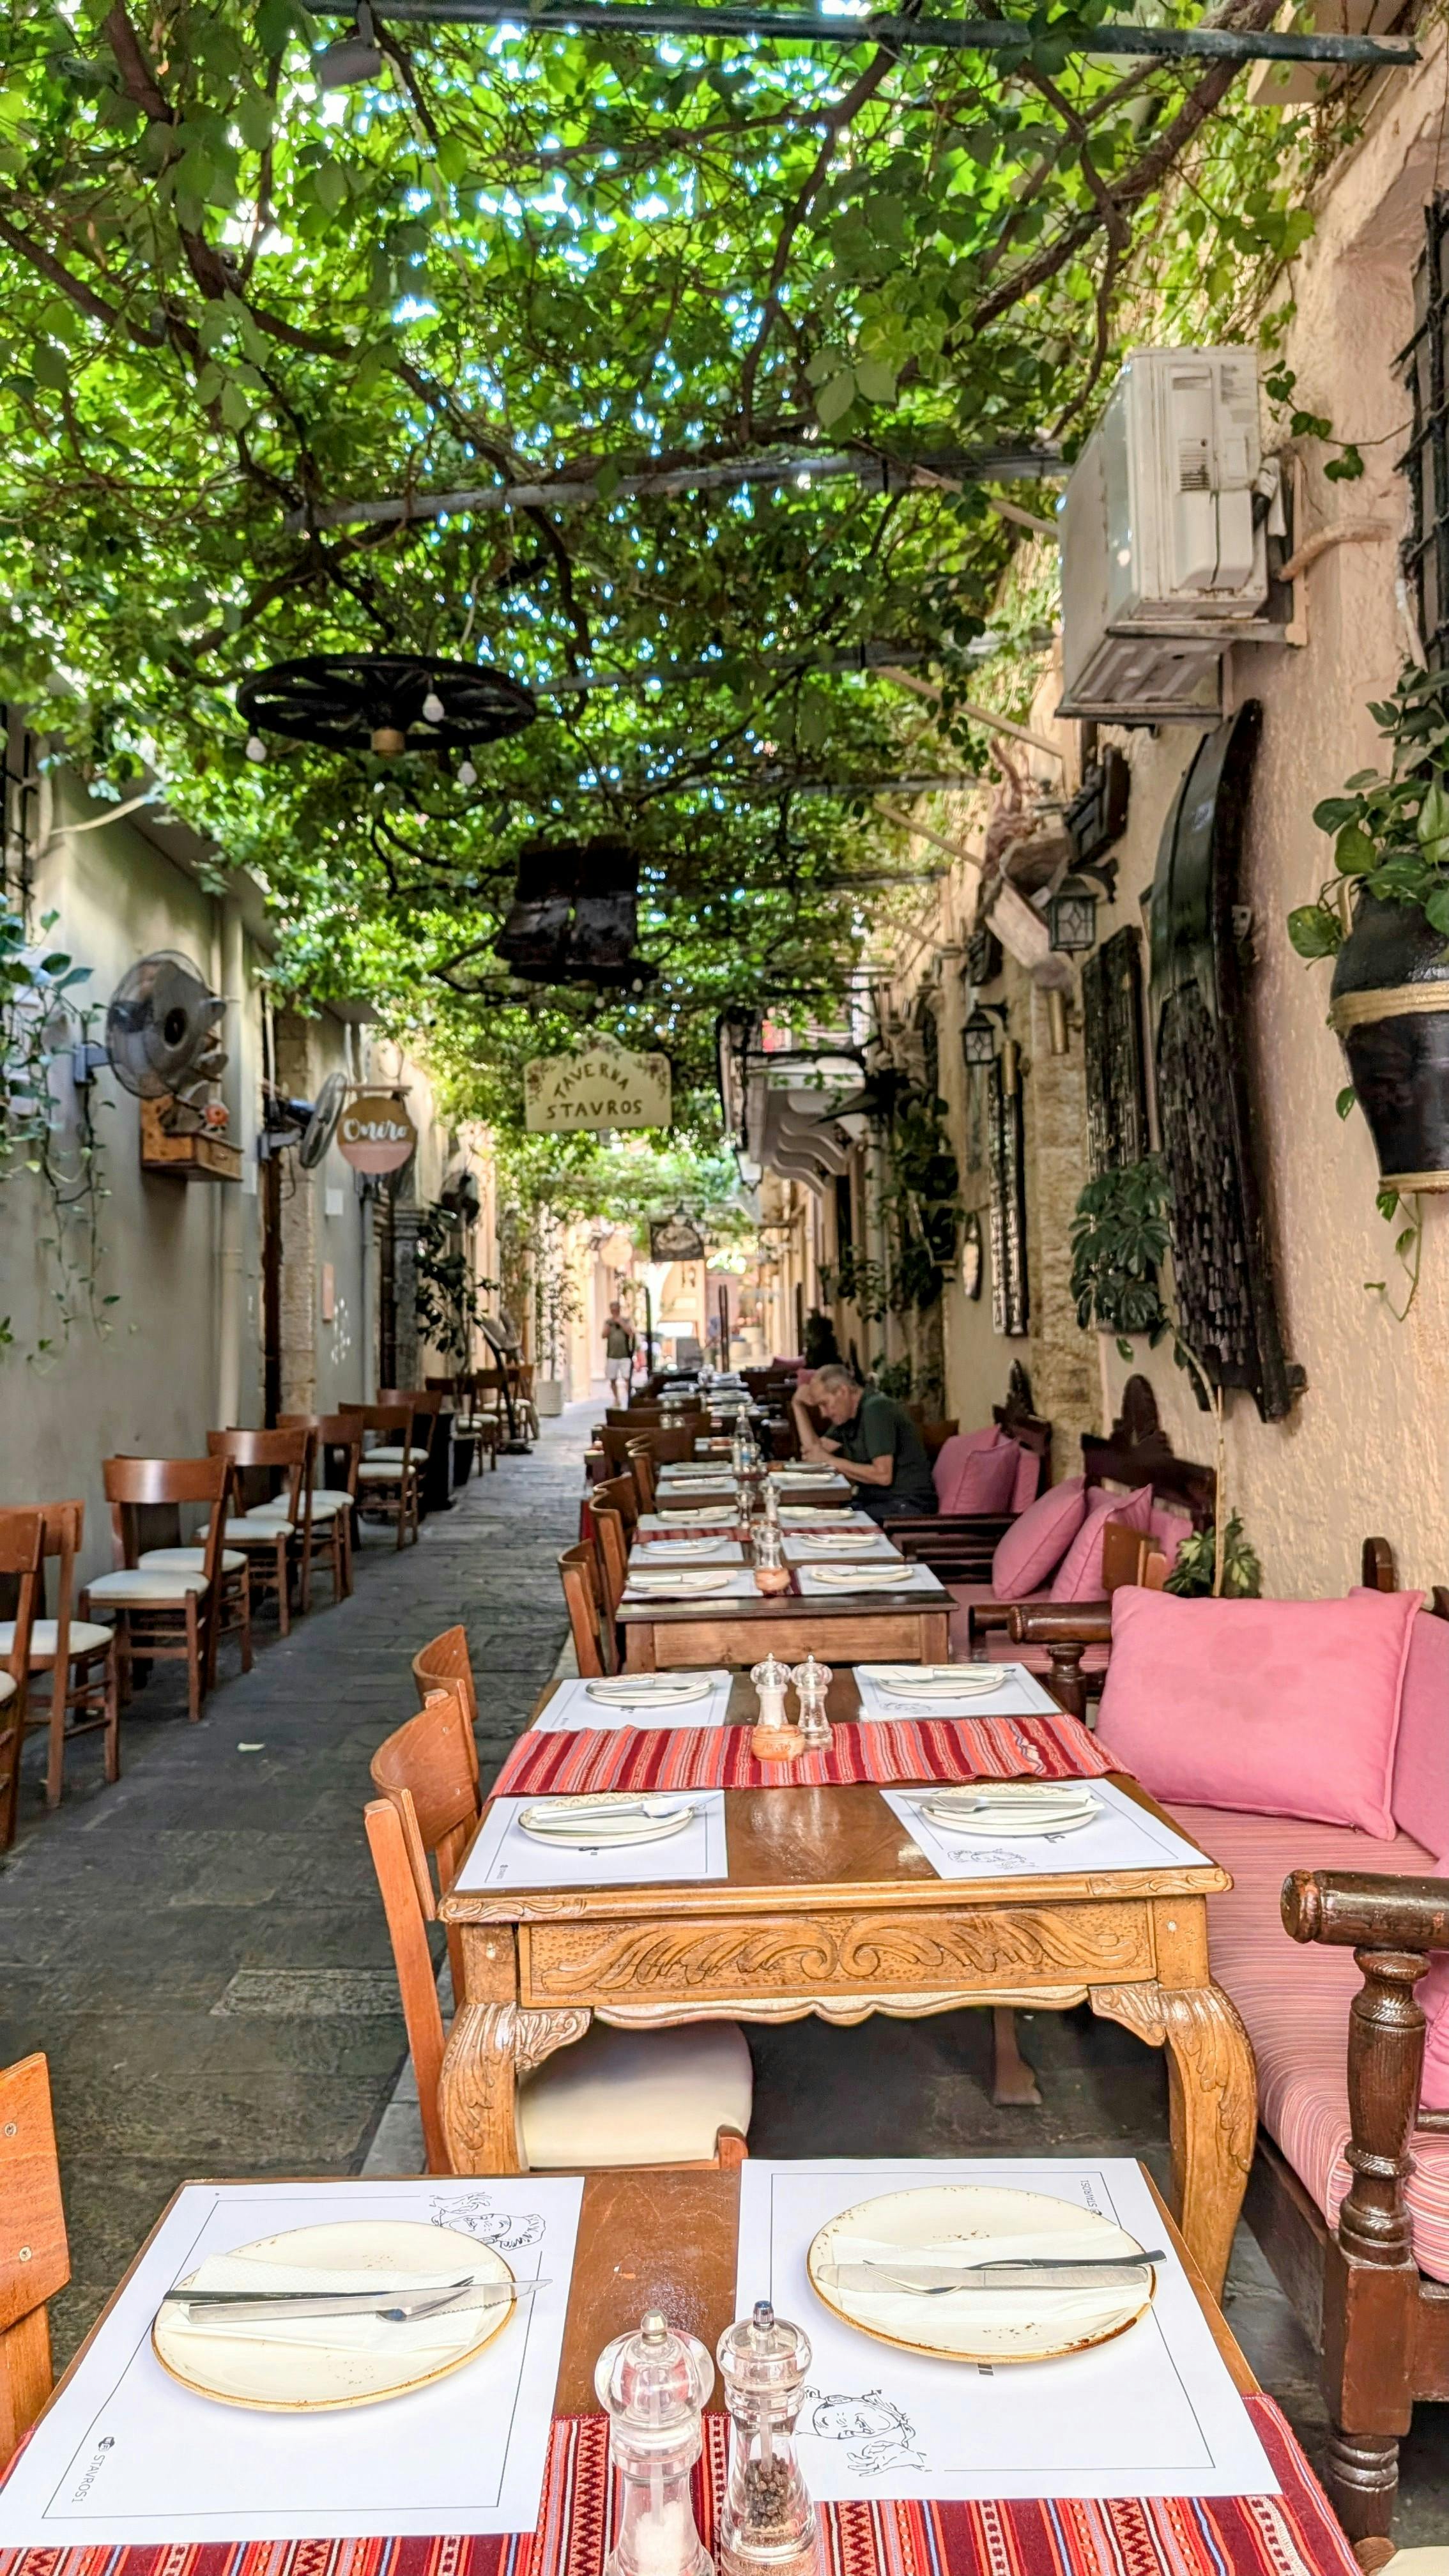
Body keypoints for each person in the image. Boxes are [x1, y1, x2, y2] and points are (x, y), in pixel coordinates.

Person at [790, 1362, 938, 1522]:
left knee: (825, 1523)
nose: (823, 1414)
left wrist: (829, 1460)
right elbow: (813, 1452)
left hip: (906, 1504)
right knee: (813, 1518)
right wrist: (798, 1405)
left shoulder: (877, 1409)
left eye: (824, 1404)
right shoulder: (848, 1416)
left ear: (843, 1391)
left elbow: (883, 1475)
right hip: (876, 1502)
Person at [603, 1301, 636, 1406]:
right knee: (613, 1379)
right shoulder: (608, 1322)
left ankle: (629, 1399)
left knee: (627, 1378)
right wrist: (609, 1326)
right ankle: (617, 1399)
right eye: (612, 1310)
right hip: (612, 1356)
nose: (614, 1312)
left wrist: (621, 1322)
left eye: (616, 1310)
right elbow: (603, 1335)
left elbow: (631, 1333)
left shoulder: (626, 1320)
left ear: (619, 1310)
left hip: (625, 1355)